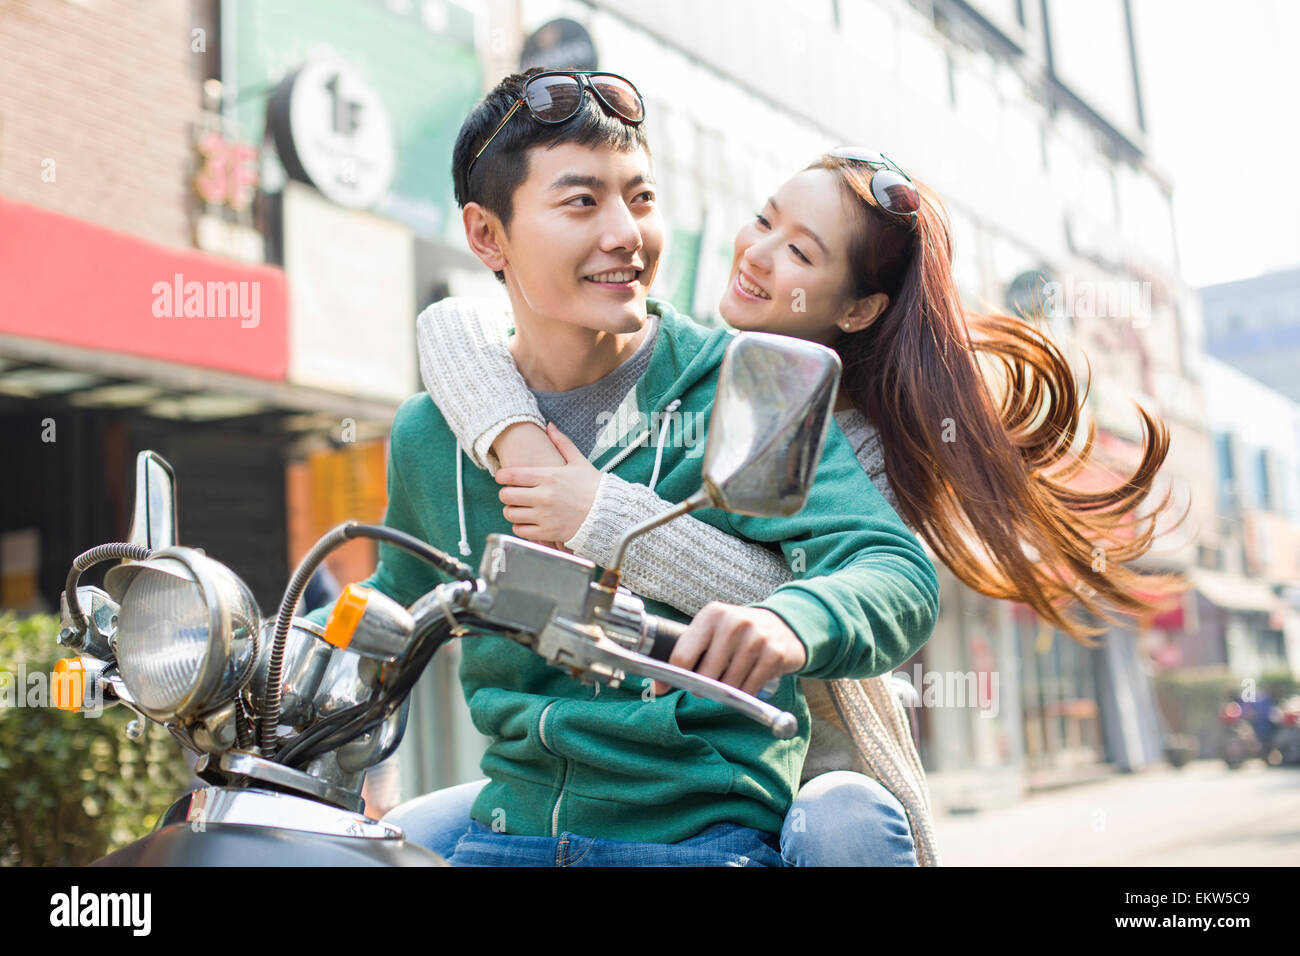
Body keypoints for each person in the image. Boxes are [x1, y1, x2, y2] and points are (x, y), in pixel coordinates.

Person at [408, 138, 1190, 865]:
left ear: (856, 309)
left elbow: (842, 583)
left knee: (845, 819)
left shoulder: (804, 417)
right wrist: (511, 435)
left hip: (791, 766)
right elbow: (458, 327)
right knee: (382, 833)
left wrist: (604, 518)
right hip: (575, 776)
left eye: (800, 253)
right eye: (762, 221)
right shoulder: (696, 361)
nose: (756, 255)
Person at [306, 68, 940, 867]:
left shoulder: (745, 389)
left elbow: (896, 572)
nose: (626, 233)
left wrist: (787, 620)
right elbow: (390, 615)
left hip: (697, 837)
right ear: (485, 236)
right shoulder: (432, 433)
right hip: (506, 831)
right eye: (582, 202)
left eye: (639, 199)